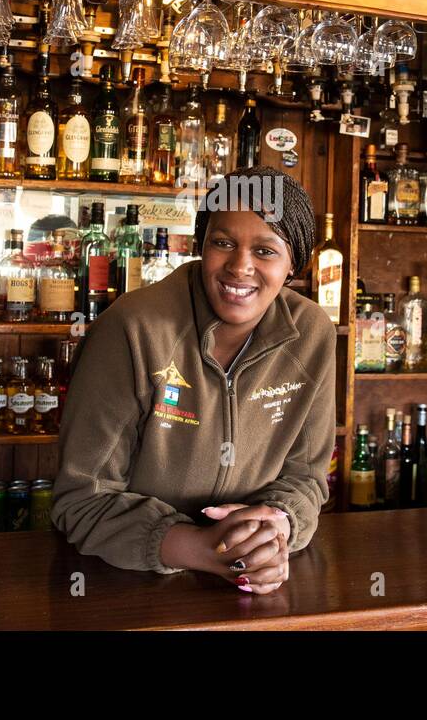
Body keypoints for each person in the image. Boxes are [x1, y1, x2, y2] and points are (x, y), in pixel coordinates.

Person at [52, 166, 336, 594]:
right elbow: (82, 499)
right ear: (201, 245)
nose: (240, 267)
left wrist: (277, 526)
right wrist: (206, 549)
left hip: (252, 581)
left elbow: (306, 477)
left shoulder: (312, 332)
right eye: (223, 243)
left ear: (295, 261)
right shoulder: (133, 327)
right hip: (123, 582)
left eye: (265, 250)